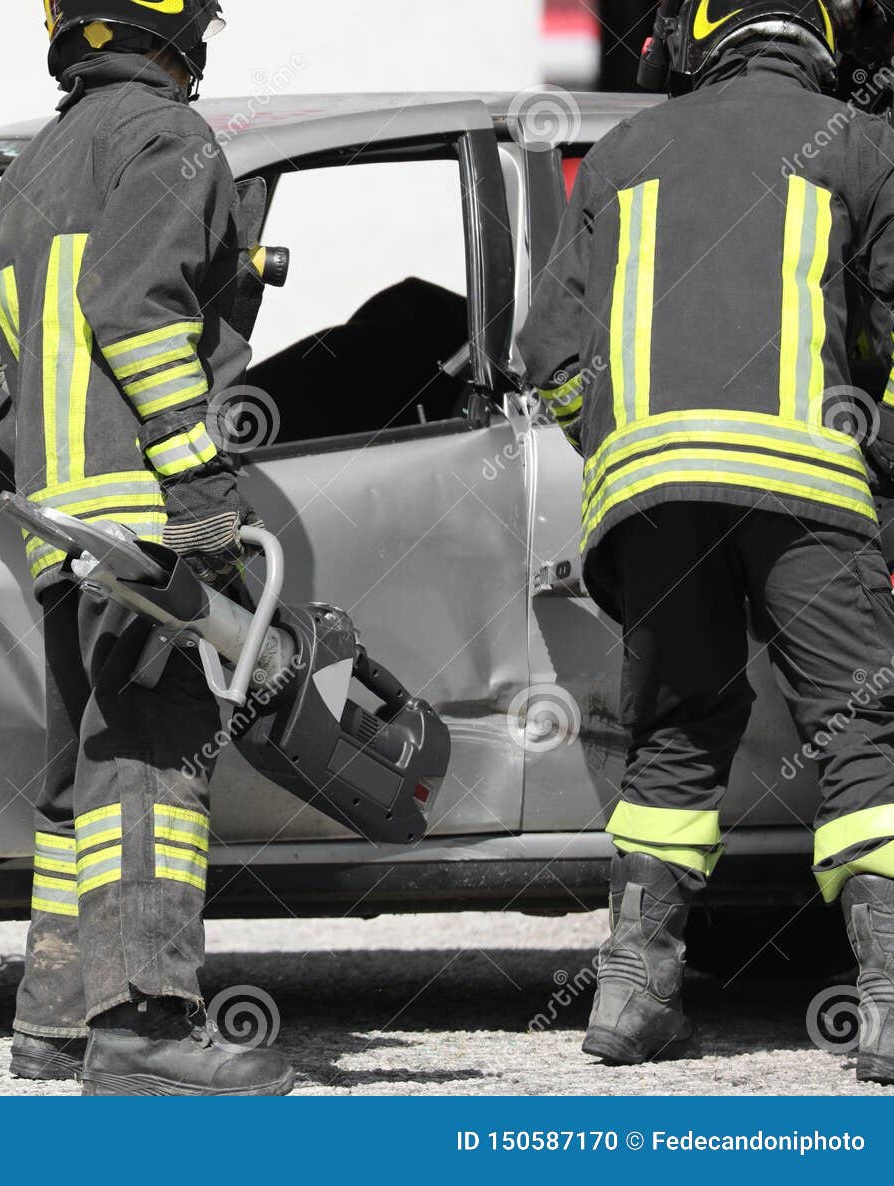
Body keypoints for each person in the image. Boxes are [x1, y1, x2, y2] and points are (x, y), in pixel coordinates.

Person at [0, 0, 294, 1096]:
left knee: (89, 766)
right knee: (153, 760)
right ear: (176, 30)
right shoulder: (167, 138)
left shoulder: (36, 167)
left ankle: (56, 1018)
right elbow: (135, 310)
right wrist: (198, 476)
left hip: (59, 524)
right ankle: (146, 1026)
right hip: (137, 520)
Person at [519, 0, 894, 1084]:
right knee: (860, 729)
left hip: (651, 496)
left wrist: (625, 442)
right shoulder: (866, 145)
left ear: (697, 36)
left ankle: (632, 998)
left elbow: (549, 358)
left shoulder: (624, 148)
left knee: (676, 731)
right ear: (823, 37)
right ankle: (885, 1005)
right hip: (809, 483)